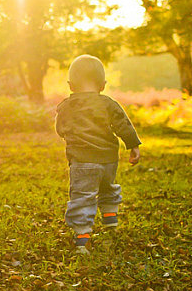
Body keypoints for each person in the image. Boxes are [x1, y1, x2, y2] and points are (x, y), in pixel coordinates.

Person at [55, 54, 142, 254]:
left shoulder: (67, 106)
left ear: (70, 85)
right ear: (102, 85)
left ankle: (83, 239)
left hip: (82, 161)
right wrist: (133, 146)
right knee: (107, 187)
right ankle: (110, 219)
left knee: (83, 196)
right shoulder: (109, 104)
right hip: (108, 159)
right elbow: (123, 126)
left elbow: (60, 129)